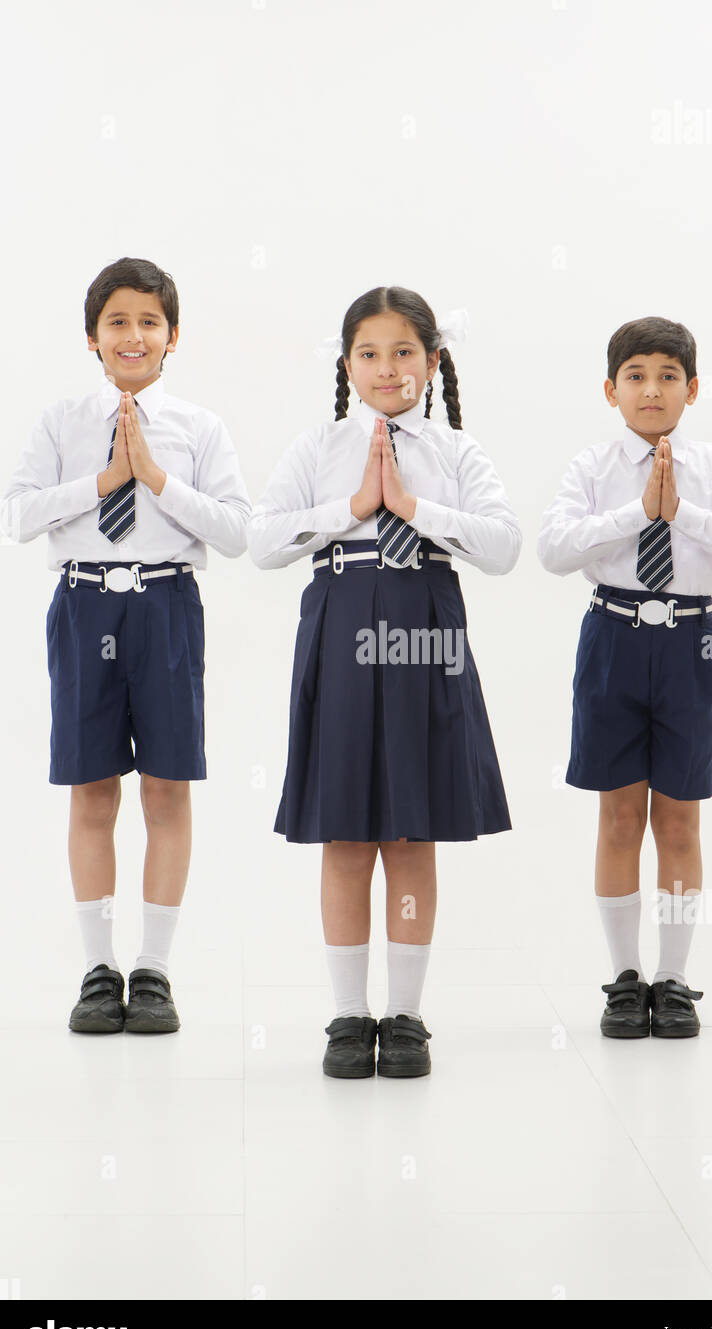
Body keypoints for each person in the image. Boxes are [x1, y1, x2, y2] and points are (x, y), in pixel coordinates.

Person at [248, 286, 520, 1078]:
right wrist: (353, 506)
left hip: (423, 623)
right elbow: (263, 541)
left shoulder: (456, 452)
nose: (386, 368)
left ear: (432, 361)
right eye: (368, 353)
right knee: (344, 828)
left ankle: (404, 1015)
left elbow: (502, 548)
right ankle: (345, 1016)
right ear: (346, 364)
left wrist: (413, 507)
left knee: (410, 825)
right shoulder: (318, 446)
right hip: (338, 623)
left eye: (404, 352)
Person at [1, 257, 251, 1035]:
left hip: (165, 604)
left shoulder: (201, 427)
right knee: (92, 788)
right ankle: (97, 969)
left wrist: (157, 478)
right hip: (84, 605)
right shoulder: (62, 423)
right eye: (117, 322)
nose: (133, 335)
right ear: (91, 338)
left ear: (172, 336)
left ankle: (154, 971)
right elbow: (14, 515)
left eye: (148, 322)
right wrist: (107, 480)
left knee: (167, 789)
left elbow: (240, 530)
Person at [537, 316, 712, 1039]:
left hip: (688, 643)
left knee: (678, 814)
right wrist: (636, 513)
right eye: (636, 376)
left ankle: (673, 979)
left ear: (693, 388)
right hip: (611, 636)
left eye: (668, 376)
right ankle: (623, 979)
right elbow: (553, 548)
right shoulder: (591, 469)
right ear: (610, 390)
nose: (652, 389)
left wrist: (683, 513)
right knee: (618, 813)